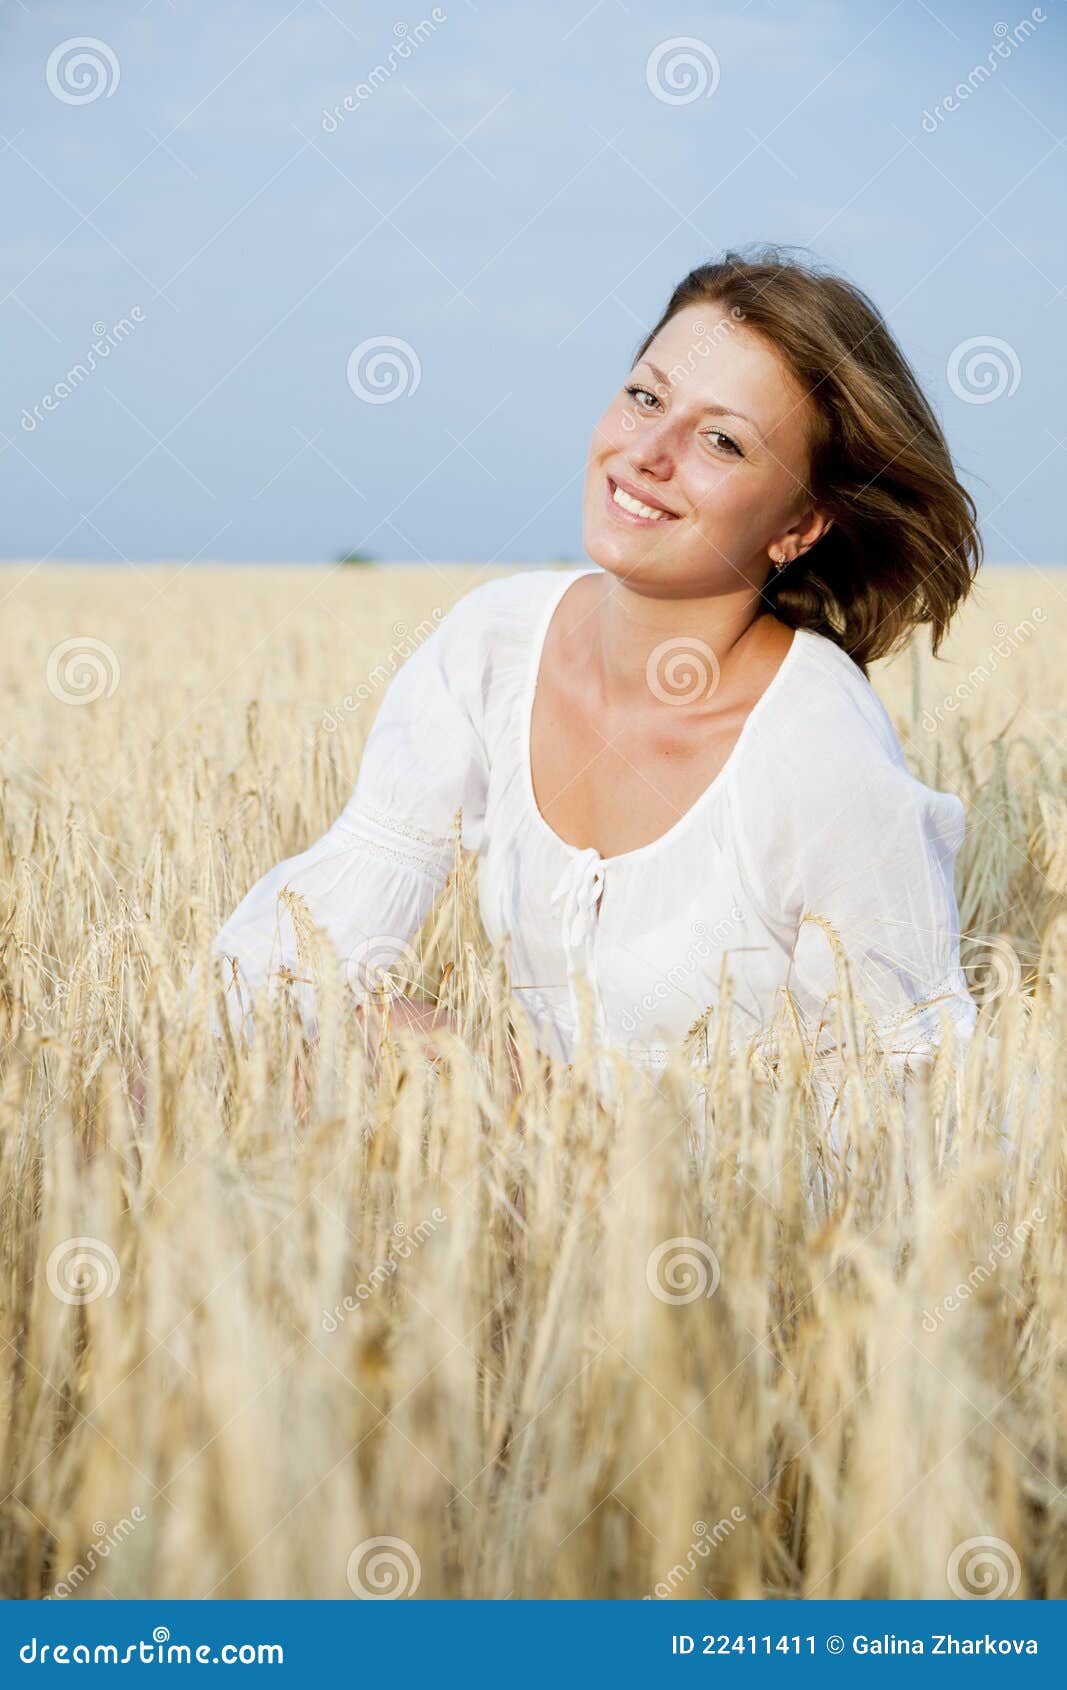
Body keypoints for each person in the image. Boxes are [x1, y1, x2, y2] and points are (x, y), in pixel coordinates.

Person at [193, 247, 980, 1113]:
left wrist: (523, 1090)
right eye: (646, 396)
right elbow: (310, 940)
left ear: (797, 525)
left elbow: (902, 1121)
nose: (647, 450)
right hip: (514, 1192)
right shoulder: (493, 644)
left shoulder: (819, 754)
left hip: (715, 1228)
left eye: (720, 440)